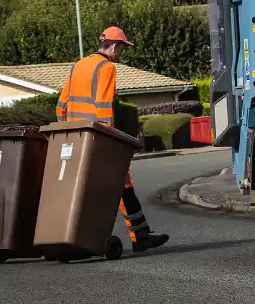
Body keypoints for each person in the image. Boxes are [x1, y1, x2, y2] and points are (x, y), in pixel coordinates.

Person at [56, 26, 170, 254]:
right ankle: (140, 237)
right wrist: (108, 139)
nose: (121, 56)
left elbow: (61, 106)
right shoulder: (106, 67)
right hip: (98, 139)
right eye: (122, 50)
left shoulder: (79, 65)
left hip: (75, 139)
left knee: (86, 188)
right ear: (114, 46)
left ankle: (71, 236)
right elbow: (104, 107)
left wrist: (66, 132)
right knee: (121, 182)